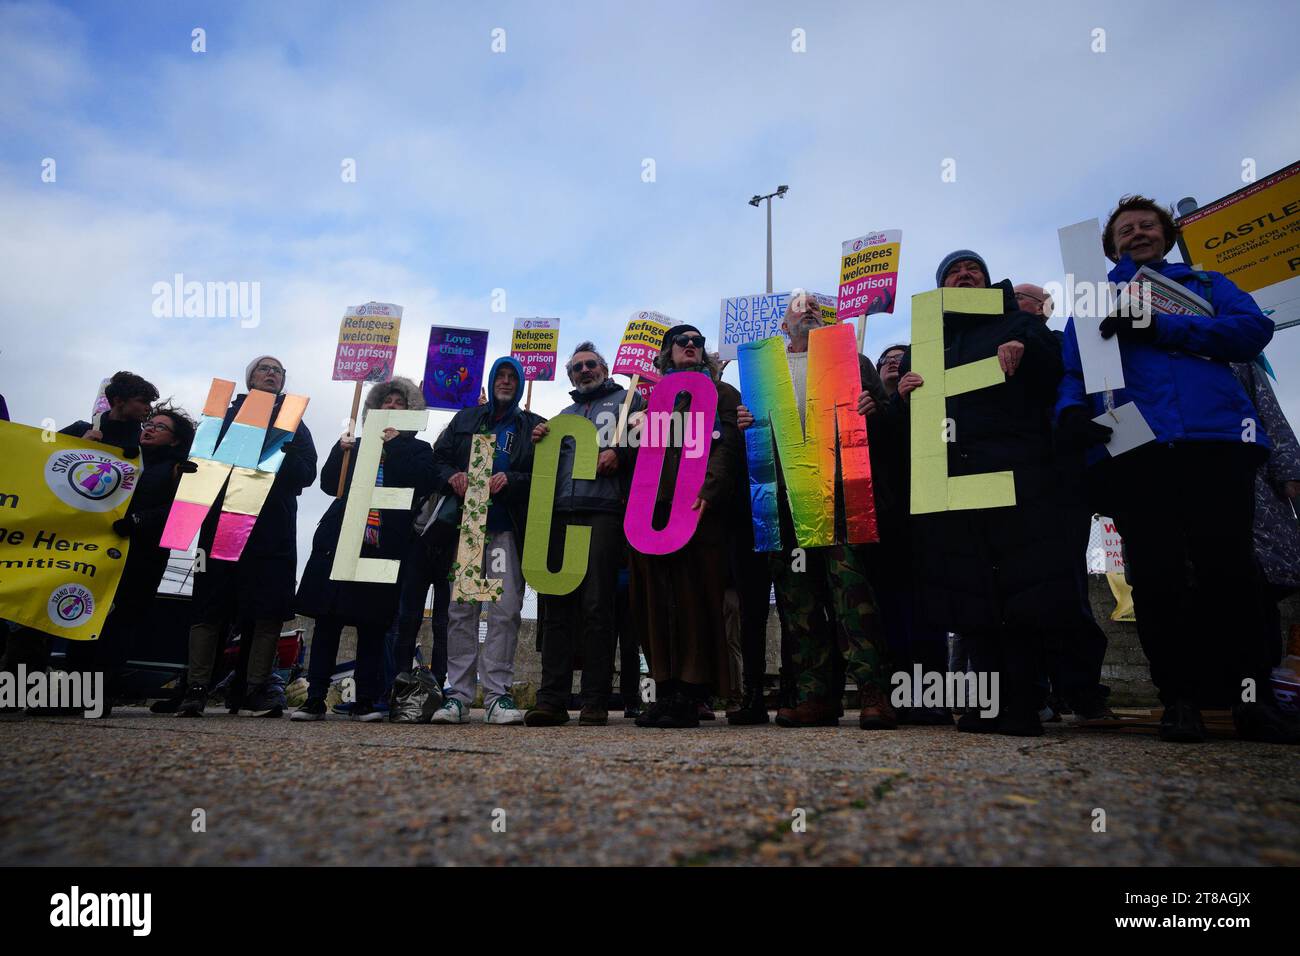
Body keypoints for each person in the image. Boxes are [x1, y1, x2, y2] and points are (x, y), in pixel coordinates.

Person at [1056, 195, 1296, 744]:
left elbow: (1252, 331)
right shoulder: (1095, 300)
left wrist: (1163, 329)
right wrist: (1069, 411)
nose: (1137, 233)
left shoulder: (1208, 288)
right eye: (1126, 229)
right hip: (1137, 452)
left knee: (1230, 575)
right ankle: (1179, 700)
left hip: (1216, 444)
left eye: (1147, 226)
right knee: (1157, 578)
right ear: (1111, 245)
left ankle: (1249, 702)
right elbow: (1074, 370)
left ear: (1165, 236)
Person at [889, 250, 1076, 737]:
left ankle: (1024, 702)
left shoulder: (1019, 323)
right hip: (950, 478)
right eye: (953, 271)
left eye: (974, 270)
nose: (965, 275)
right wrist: (901, 400)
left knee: (1022, 588)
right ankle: (986, 701)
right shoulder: (924, 344)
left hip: (1014, 474)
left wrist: (1026, 353)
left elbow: (1059, 371)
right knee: (970, 593)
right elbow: (902, 429)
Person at [735, 298, 896, 729]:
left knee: (851, 592)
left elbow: (888, 422)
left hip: (839, 494)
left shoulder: (853, 359)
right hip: (786, 499)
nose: (807, 311)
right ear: (784, 324)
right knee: (797, 599)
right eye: (798, 308)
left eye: (815, 309)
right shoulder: (763, 370)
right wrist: (744, 422)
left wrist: (873, 411)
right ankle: (815, 696)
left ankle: (873, 692)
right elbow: (752, 438)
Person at [0, 371, 159, 697]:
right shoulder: (79, 430)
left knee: (87, 618)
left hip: (103, 548)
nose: (148, 409)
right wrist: (75, 446)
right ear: (118, 401)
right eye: (143, 401)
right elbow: (35, 460)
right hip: (58, 543)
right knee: (34, 617)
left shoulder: (144, 448)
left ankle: (77, 695)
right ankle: (16, 692)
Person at [177, 356, 317, 717]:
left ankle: (255, 688)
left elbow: (306, 474)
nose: (271, 374)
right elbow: (198, 466)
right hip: (222, 525)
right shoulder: (221, 415)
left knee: (267, 609)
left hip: (271, 531)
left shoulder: (294, 423)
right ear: (250, 378)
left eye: (277, 371)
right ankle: (195, 688)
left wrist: (278, 453)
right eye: (263, 369)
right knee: (210, 606)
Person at [292, 378, 434, 722]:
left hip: (383, 543)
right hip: (341, 538)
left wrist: (396, 445)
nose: (393, 407)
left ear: (411, 412)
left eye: (400, 403)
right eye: (388, 401)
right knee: (328, 620)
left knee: (373, 624)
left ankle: (367, 698)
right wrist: (339, 453)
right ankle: (315, 697)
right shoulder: (354, 444)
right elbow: (329, 485)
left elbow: (423, 481)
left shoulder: (418, 449)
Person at [525, 343, 645, 726]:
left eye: (591, 364)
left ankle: (595, 700)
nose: (585, 370)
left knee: (597, 607)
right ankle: (552, 700)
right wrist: (540, 438)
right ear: (570, 375)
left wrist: (621, 453)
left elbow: (651, 442)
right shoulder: (563, 416)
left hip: (604, 513)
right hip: (560, 513)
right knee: (557, 609)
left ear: (605, 368)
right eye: (577, 367)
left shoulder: (630, 400)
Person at [630, 324, 742, 728]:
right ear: (667, 352)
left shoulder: (724, 395)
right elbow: (635, 459)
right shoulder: (648, 403)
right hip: (653, 514)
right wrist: (628, 434)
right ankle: (666, 690)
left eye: (698, 342)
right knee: (658, 604)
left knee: (696, 601)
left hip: (699, 515)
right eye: (683, 341)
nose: (692, 347)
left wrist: (710, 491)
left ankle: (692, 694)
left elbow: (725, 447)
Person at [427, 357, 542, 725]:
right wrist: (453, 477)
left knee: (505, 609)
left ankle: (497, 695)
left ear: (520, 384)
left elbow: (545, 472)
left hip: (506, 528)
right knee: (462, 610)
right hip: (468, 527)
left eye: (512, 377)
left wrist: (515, 480)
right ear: (492, 380)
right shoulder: (465, 419)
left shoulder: (534, 425)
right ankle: (458, 695)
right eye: (500, 376)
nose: (505, 382)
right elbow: (438, 458)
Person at [64, 405, 195, 716]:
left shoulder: (180, 469)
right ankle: (71, 693)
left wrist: (137, 520)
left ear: (175, 441)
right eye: (149, 424)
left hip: (143, 555)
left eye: (160, 427)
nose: (149, 429)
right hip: (99, 552)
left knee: (120, 623)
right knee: (83, 614)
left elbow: (182, 516)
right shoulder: (120, 457)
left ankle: (101, 694)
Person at [1231, 360, 1300, 663]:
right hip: (1181, 495)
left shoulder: (1233, 353)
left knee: (1256, 589)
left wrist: (1287, 470)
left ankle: (1260, 687)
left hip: (1251, 491)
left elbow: (1268, 411)